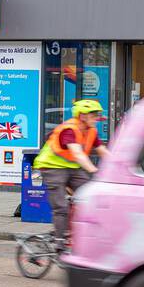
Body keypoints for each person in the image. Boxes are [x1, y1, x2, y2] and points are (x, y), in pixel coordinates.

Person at [33, 99, 109, 247]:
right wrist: (95, 171)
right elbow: (78, 154)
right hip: (51, 167)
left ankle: (77, 231)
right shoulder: (69, 130)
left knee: (90, 195)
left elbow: (103, 152)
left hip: (72, 169)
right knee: (61, 207)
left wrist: (119, 168)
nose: (97, 119)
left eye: (97, 115)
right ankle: (60, 241)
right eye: (94, 115)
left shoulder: (91, 131)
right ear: (82, 116)